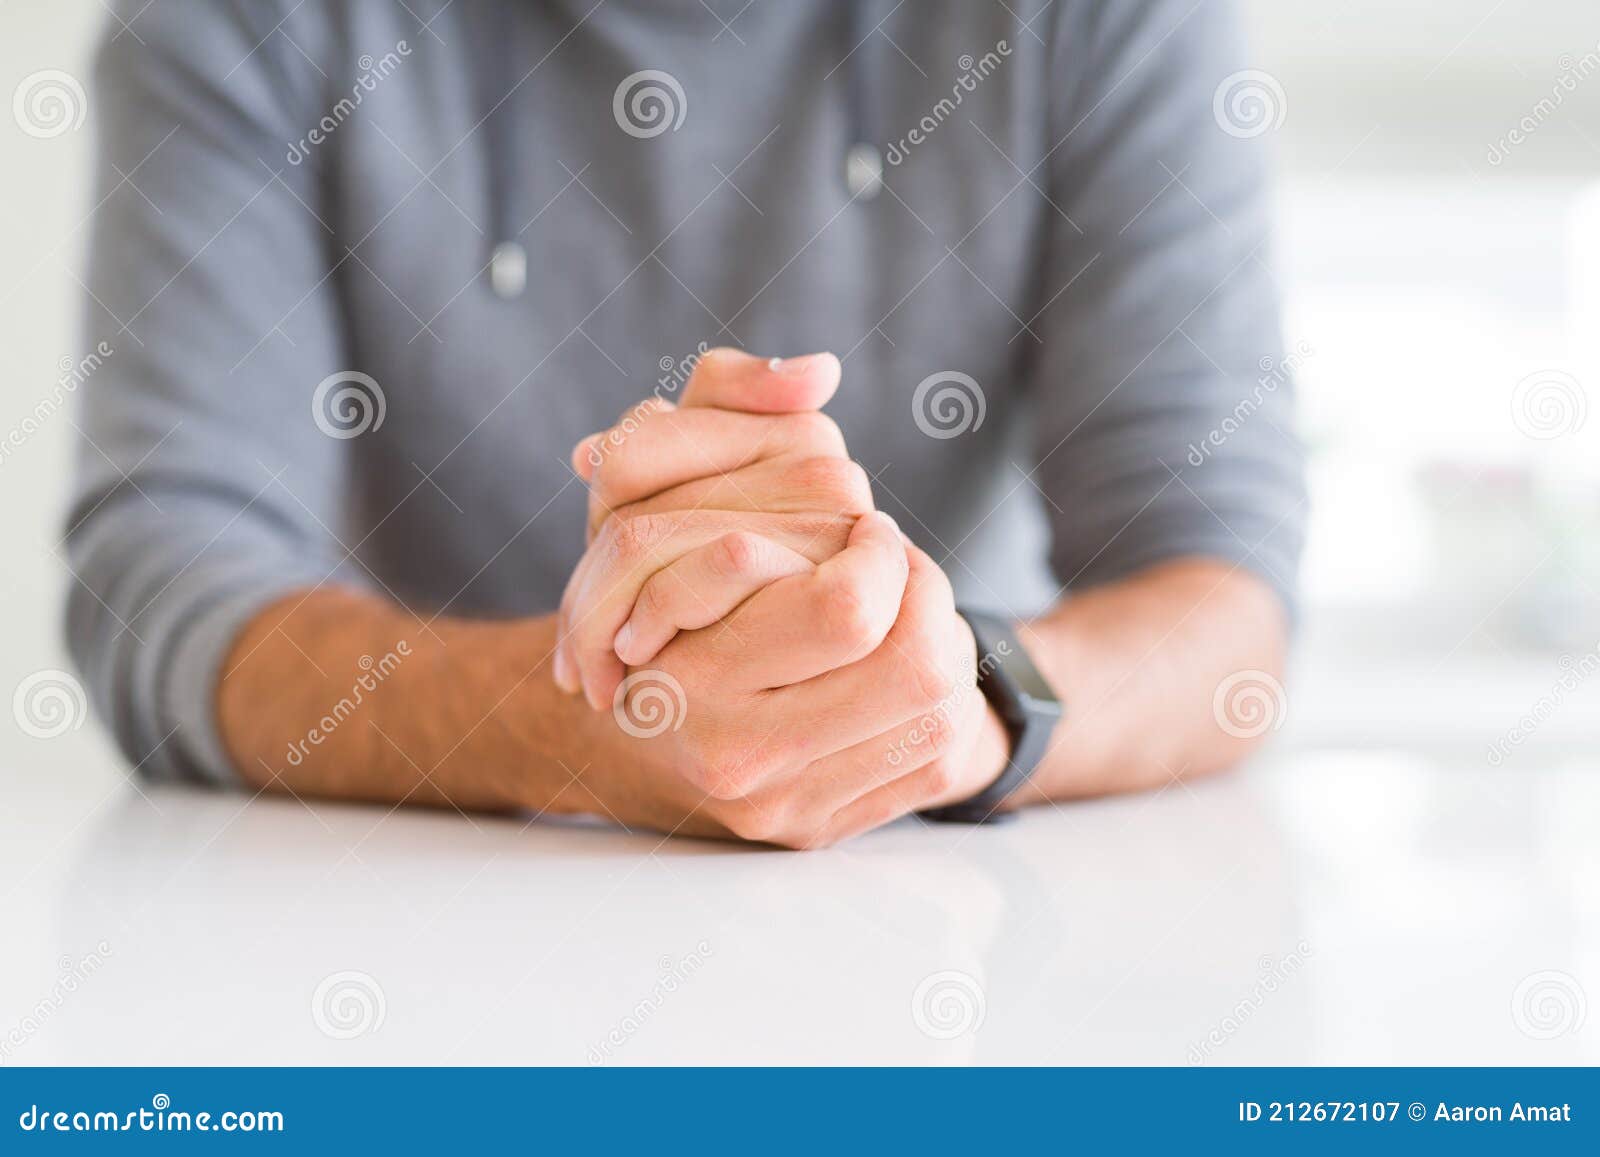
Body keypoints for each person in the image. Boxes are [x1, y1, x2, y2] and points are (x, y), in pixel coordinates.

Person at [65, 0, 1305, 848]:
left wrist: (962, 699)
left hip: (939, 911)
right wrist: (587, 718)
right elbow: (163, 578)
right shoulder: (237, 22)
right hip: (449, 926)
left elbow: (1224, 599)